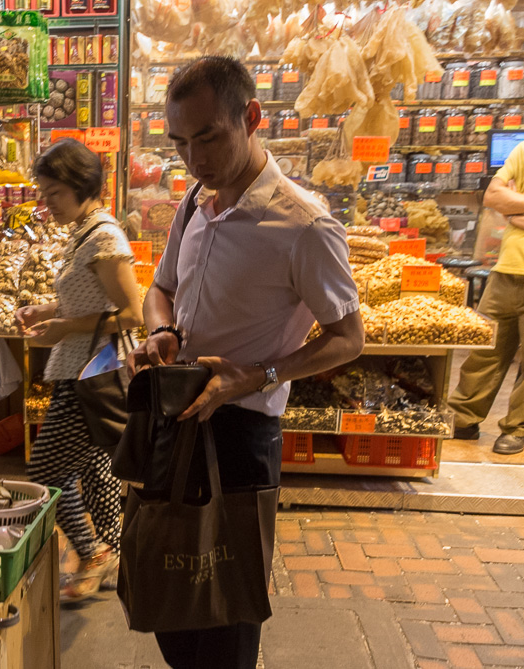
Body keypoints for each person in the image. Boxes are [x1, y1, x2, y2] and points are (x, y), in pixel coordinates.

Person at [126, 57, 364, 668]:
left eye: (208, 137)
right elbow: (161, 289)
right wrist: (161, 331)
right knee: (169, 595)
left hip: (241, 436)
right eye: (180, 142)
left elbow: (348, 337)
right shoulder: (194, 202)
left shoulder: (304, 225)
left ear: (252, 117)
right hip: (177, 418)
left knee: (226, 610)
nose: (194, 159)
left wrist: (258, 376)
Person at [17, 139, 144, 602]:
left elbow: (131, 314)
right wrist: (46, 310)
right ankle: (113, 553)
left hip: (91, 373)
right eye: (44, 192)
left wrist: (64, 326)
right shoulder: (84, 231)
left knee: (45, 473)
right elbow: (89, 298)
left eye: (54, 193)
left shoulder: (104, 237)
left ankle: (92, 552)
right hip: (81, 370)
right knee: (95, 466)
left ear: (81, 185)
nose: (47, 202)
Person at [448, 133, 524, 455]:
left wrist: (515, 213)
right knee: (485, 351)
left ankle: (517, 428)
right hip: (505, 269)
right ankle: (463, 419)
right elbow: (493, 196)